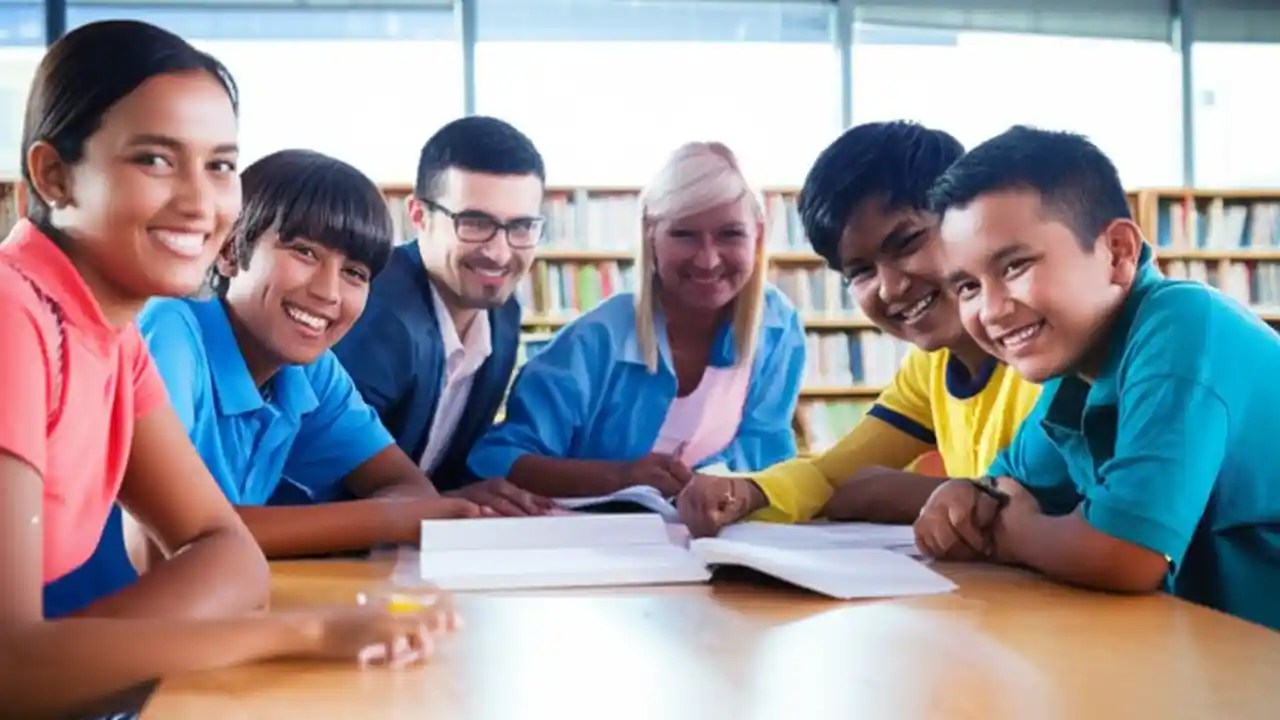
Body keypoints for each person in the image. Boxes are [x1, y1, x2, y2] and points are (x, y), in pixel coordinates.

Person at [1, 21, 454, 718]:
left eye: (219, 165)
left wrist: (74, 659)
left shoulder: (110, 334)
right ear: (54, 175)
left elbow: (230, 552)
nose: (199, 202)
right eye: (155, 160)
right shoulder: (15, 316)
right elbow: (11, 669)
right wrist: (291, 631)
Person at [921, 125, 1280, 630]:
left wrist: (1014, 533)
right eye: (966, 286)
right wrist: (965, 495)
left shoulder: (1185, 325)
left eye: (1016, 265)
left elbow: (1127, 553)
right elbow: (1003, 489)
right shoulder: (1078, 368)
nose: (992, 310)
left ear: (1117, 252)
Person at [675, 122, 1041, 538]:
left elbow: (1065, 503)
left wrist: (909, 493)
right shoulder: (930, 368)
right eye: (861, 271)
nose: (890, 287)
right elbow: (836, 476)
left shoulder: (1044, 346)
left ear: (970, 220)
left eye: (906, 242)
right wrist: (745, 492)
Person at [128, 148, 485, 561]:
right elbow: (159, 542)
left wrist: (397, 513)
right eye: (304, 252)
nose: (328, 292)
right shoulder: (170, 330)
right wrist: (385, 520)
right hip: (97, 619)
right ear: (227, 252)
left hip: (205, 609)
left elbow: (407, 488)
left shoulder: (309, 372)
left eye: (354, 273)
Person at [468, 141, 806, 497]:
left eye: (730, 234)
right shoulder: (595, 341)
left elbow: (768, 451)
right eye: (684, 234)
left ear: (758, 236)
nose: (708, 260)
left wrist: (712, 489)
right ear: (650, 234)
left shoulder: (777, 326)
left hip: (713, 540)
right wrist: (621, 476)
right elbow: (497, 460)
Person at [325, 116, 554, 517]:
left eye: (520, 227)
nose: (499, 253)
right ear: (418, 216)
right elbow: (324, 479)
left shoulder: (501, 314)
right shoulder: (378, 313)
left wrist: (460, 494)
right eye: (474, 223)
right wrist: (441, 504)